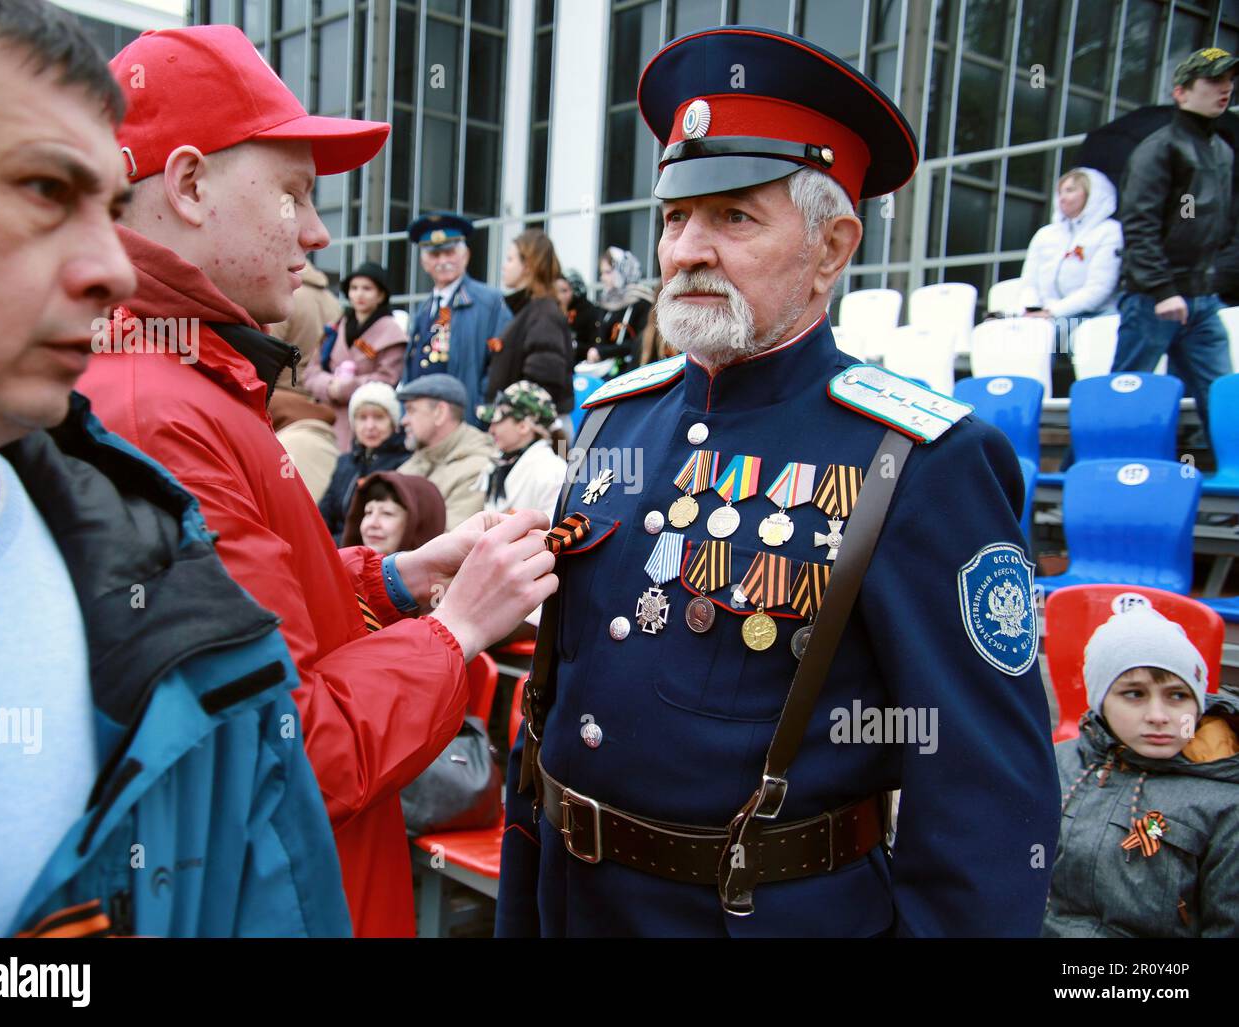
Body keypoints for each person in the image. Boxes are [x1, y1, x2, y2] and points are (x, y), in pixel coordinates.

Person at [497, 26, 1059, 939]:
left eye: (734, 218)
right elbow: (555, 704)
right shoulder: (614, 416)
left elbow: (984, 790)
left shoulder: (917, 458)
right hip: (573, 900)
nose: (686, 250)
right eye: (676, 216)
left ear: (833, 247)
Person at [75, 24, 557, 937]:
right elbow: (292, 745)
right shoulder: (158, 410)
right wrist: (455, 633)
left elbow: (250, 624)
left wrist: (394, 579)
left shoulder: (166, 377)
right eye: (293, 192)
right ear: (185, 185)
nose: (316, 229)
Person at [0, 0, 348, 937]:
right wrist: (450, 635)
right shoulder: (152, 455)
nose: (113, 268)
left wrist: (394, 583)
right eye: (44, 189)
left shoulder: (153, 553)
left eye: (108, 206)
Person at [1044, 607, 1239, 937]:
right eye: (1134, 694)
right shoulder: (1057, 763)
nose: (1158, 715)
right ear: (1100, 702)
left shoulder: (1227, 802)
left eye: (1178, 695)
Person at [1113, 47, 1239, 442]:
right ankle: (1077, 483)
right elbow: (1138, 224)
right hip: (1155, 300)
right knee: (1126, 397)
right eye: (1214, 81)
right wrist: (1163, 290)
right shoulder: (1159, 148)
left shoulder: (1221, 150)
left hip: (1202, 300)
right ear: (1181, 92)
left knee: (1222, 400)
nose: (1226, 89)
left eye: (1230, 81)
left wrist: (1216, 276)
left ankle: (1229, 484)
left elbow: (1226, 223)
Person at [1018, 167, 1123, 397]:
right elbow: (1029, 282)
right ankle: (1024, 404)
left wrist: (1051, 312)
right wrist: (1033, 311)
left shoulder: (1110, 232)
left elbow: (1099, 289)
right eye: (1060, 192)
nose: (1063, 197)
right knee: (1015, 332)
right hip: (1047, 317)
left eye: (1071, 190)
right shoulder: (1046, 234)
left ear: (1092, 194)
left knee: (1048, 335)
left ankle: (1092, 403)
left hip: (1093, 316)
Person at [403, 212, 513, 425]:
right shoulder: (425, 308)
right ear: (424, 263)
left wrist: (481, 407)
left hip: (465, 421)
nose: (443, 261)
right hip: (425, 422)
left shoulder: (489, 301)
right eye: (435, 255)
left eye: (450, 252)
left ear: (465, 256)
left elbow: (500, 362)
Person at [304, 260, 407, 454]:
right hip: (328, 417)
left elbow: (388, 378)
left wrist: (346, 388)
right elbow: (311, 372)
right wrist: (328, 386)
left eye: (367, 288)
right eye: (354, 288)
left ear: (381, 294)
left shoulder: (391, 331)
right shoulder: (336, 326)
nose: (359, 294)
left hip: (367, 422)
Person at [267, 259, 343, 501]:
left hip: (280, 402)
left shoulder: (283, 298)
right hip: (318, 404)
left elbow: (266, 353)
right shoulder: (332, 303)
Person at [491, 230, 575, 413]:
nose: (504, 266)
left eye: (510, 259)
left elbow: (541, 389)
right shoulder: (531, 311)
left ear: (528, 266)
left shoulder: (543, 314)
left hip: (533, 431)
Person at [396, 374, 495, 530]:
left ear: (440, 413)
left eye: (411, 410)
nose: (403, 421)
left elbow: (453, 540)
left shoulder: (476, 468)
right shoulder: (413, 464)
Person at [319, 381, 410, 541]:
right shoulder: (345, 462)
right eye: (362, 418)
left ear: (393, 423)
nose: (370, 426)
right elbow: (323, 516)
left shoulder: (403, 464)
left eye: (379, 417)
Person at [476, 381, 569, 517]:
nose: (491, 429)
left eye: (498, 420)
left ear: (523, 426)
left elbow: (551, 532)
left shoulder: (553, 472)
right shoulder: (500, 462)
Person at [587, 246, 654, 377]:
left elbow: (641, 342)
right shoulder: (606, 302)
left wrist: (603, 352)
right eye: (602, 273)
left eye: (607, 272)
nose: (602, 278)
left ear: (622, 271)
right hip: (604, 374)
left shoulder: (641, 303)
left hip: (631, 375)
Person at [340, 471, 446, 553]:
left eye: (387, 513)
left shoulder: (444, 581)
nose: (372, 524)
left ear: (418, 524)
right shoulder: (345, 578)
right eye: (368, 512)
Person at [555, 270, 606, 364]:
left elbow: (596, 346)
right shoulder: (558, 311)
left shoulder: (591, 312)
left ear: (576, 289)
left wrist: (575, 345)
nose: (559, 296)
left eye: (564, 291)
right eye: (557, 291)